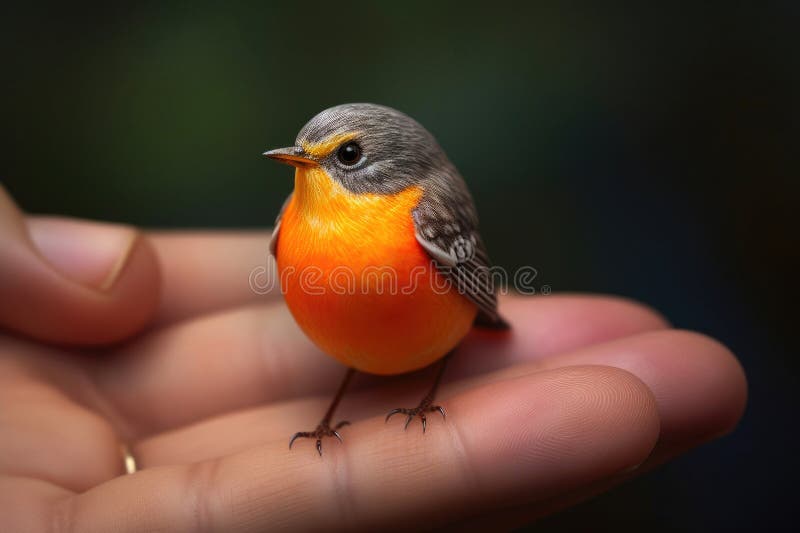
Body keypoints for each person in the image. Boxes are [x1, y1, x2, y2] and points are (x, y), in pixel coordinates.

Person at [0, 185, 747, 531]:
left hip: (442, 332)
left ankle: (428, 393)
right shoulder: (296, 220)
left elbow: (468, 270)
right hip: (343, 349)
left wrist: (474, 319)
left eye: (342, 157)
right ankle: (335, 415)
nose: (311, 165)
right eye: (307, 155)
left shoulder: (424, 210)